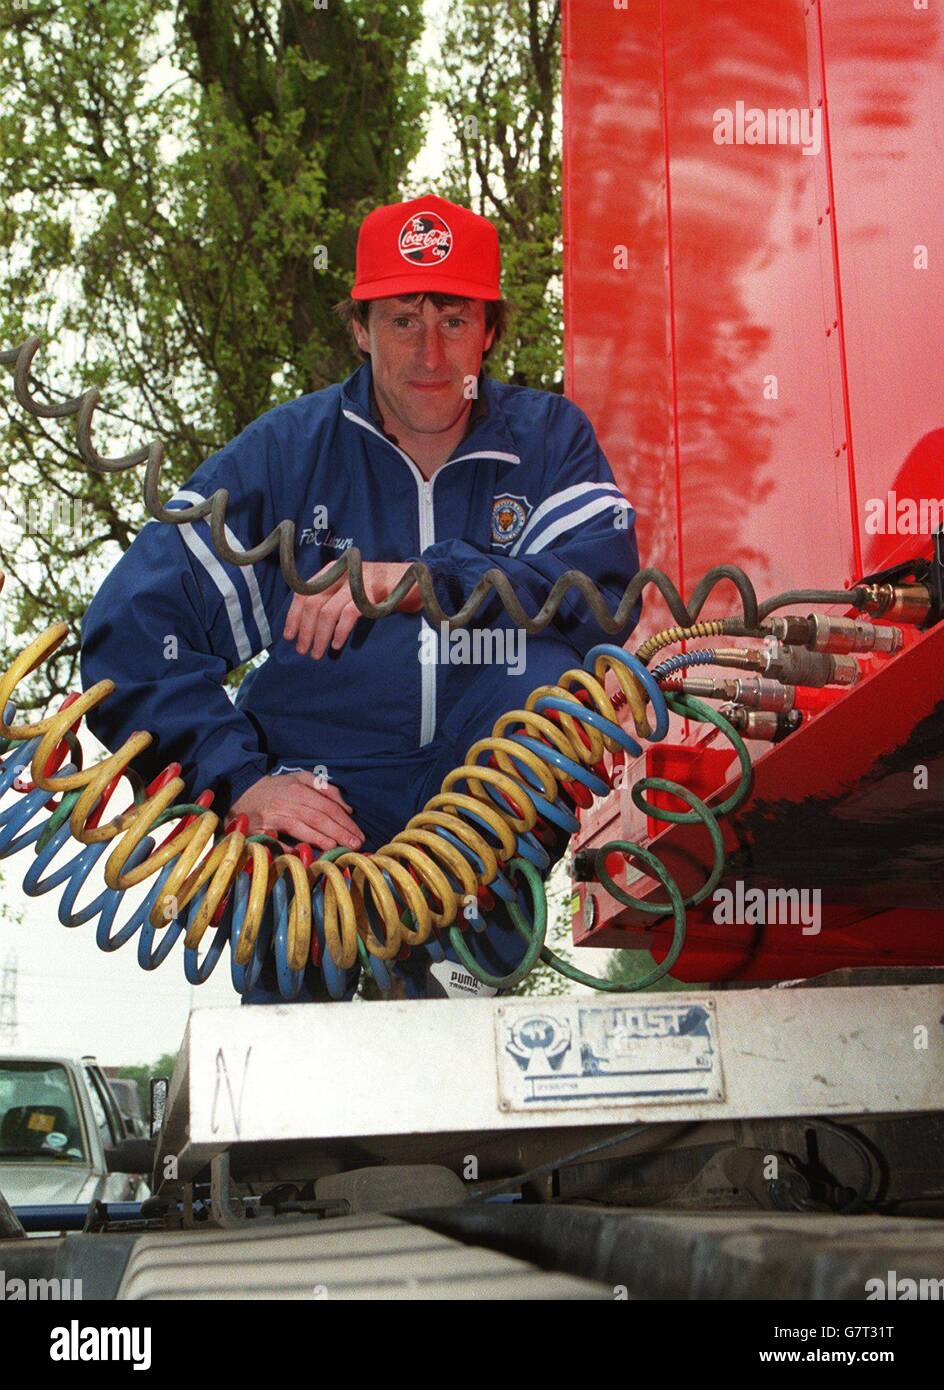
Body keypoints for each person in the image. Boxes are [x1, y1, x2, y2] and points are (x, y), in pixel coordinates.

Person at [80, 194, 641, 1002]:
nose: (429, 353)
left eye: (454, 321)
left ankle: (466, 955)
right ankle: (307, 1028)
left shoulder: (549, 441)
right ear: (359, 329)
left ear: (490, 330)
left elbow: (604, 595)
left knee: (552, 677)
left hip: (485, 794)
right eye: (402, 320)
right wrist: (238, 782)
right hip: (323, 791)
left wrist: (422, 578)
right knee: (309, 1075)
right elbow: (132, 629)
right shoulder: (286, 453)